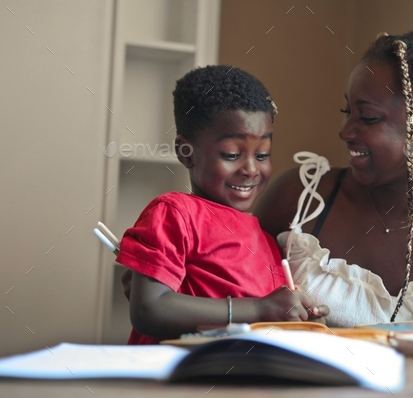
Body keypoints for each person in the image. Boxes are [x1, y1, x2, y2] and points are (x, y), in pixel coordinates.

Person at [255, 27, 413, 327]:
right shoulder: (300, 197)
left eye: (368, 117)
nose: (345, 132)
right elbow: (226, 287)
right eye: (347, 111)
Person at [116, 65, 329, 344]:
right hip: (175, 381)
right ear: (186, 152)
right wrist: (258, 309)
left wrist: (301, 318)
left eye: (263, 154)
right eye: (231, 154)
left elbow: (269, 322)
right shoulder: (174, 213)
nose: (251, 169)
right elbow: (149, 309)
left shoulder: (265, 241)